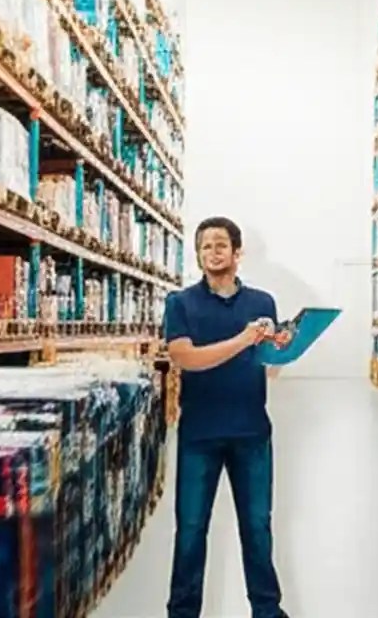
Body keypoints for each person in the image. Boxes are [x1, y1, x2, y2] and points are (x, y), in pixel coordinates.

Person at [163, 216, 291, 618]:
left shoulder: (263, 303)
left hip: (251, 432)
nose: (212, 252)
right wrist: (242, 339)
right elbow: (184, 357)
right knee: (191, 531)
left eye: (220, 245)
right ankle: (183, 613)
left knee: (257, 528)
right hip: (200, 434)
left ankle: (267, 611)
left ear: (237, 253)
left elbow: (269, 366)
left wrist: (283, 346)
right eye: (205, 246)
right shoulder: (180, 303)